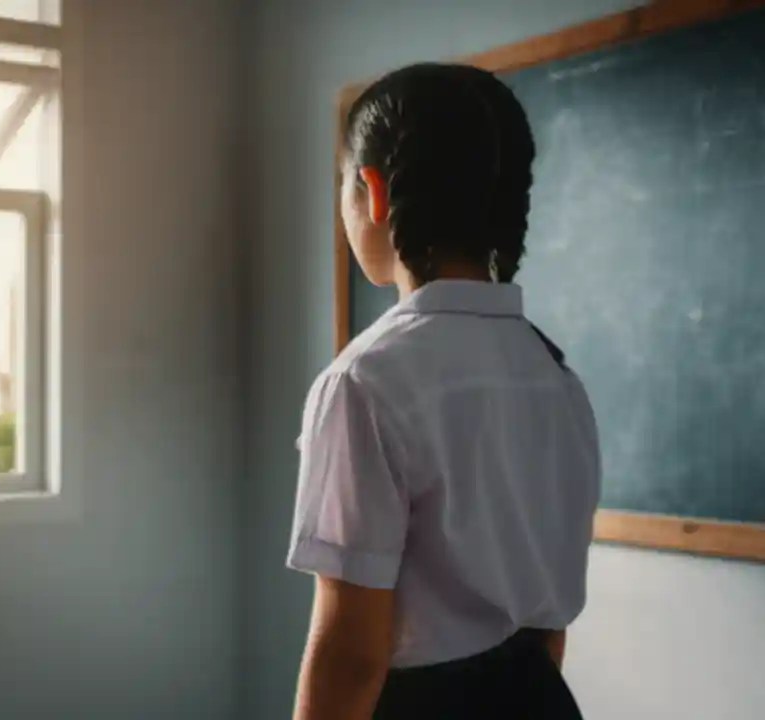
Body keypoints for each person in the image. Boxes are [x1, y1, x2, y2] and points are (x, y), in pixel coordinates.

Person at [288, 63, 601, 719]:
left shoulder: (363, 382)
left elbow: (352, 651)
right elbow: (549, 630)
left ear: (372, 191)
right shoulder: (556, 375)